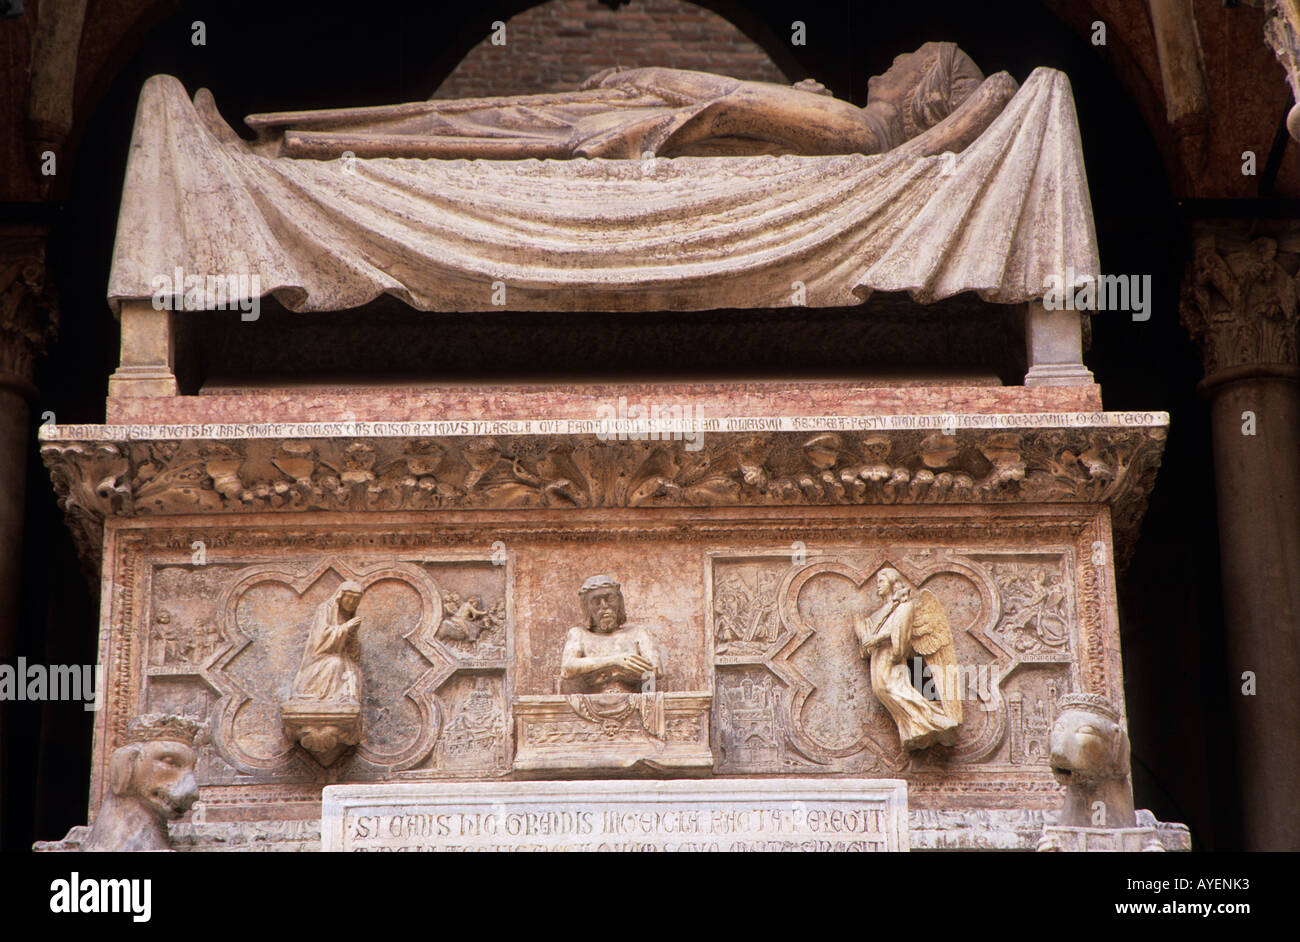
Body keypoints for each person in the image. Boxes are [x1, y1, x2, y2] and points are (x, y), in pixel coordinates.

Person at [246, 42, 988, 160]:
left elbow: (723, 109)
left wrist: (653, 83)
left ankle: (293, 154)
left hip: (638, 127)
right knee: (466, 124)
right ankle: (288, 147)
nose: (887, 61)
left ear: (921, 95)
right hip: (641, 115)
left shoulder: (859, 129)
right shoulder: (845, 121)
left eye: (905, 62)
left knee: (466, 128)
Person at [854, 568, 958, 750]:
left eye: (881, 582)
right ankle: (912, 728)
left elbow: (900, 631)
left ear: (893, 584)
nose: (878, 586)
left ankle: (935, 721)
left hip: (891, 658)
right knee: (882, 689)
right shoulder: (886, 610)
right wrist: (861, 628)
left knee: (893, 687)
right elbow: (870, 629)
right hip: (879, 657)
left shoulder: (905, 607)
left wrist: (876, 638)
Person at [560, 575, 662, 693]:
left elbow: (655, 670)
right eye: (596, 601)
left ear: (619, 602)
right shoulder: (579, 634)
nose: (604, 606)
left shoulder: (638, 633)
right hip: (592, 700)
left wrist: (600, 670)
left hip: (634, 699)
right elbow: (567, 669)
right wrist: (616, 661)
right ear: (587, 607)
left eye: (610, 599)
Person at [290, 581, 364, 704]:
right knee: (335, 663)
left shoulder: (349, 617)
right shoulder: (325, 609)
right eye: (349, 598)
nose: (351, 603)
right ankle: (325, 697)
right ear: (340, 596)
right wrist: (346, 628)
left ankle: (344, 700)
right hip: (320, 660)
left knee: (353, 672)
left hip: (343, 660)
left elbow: (353, 654)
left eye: (355, 600)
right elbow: (320, 640)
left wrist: (352, 635)